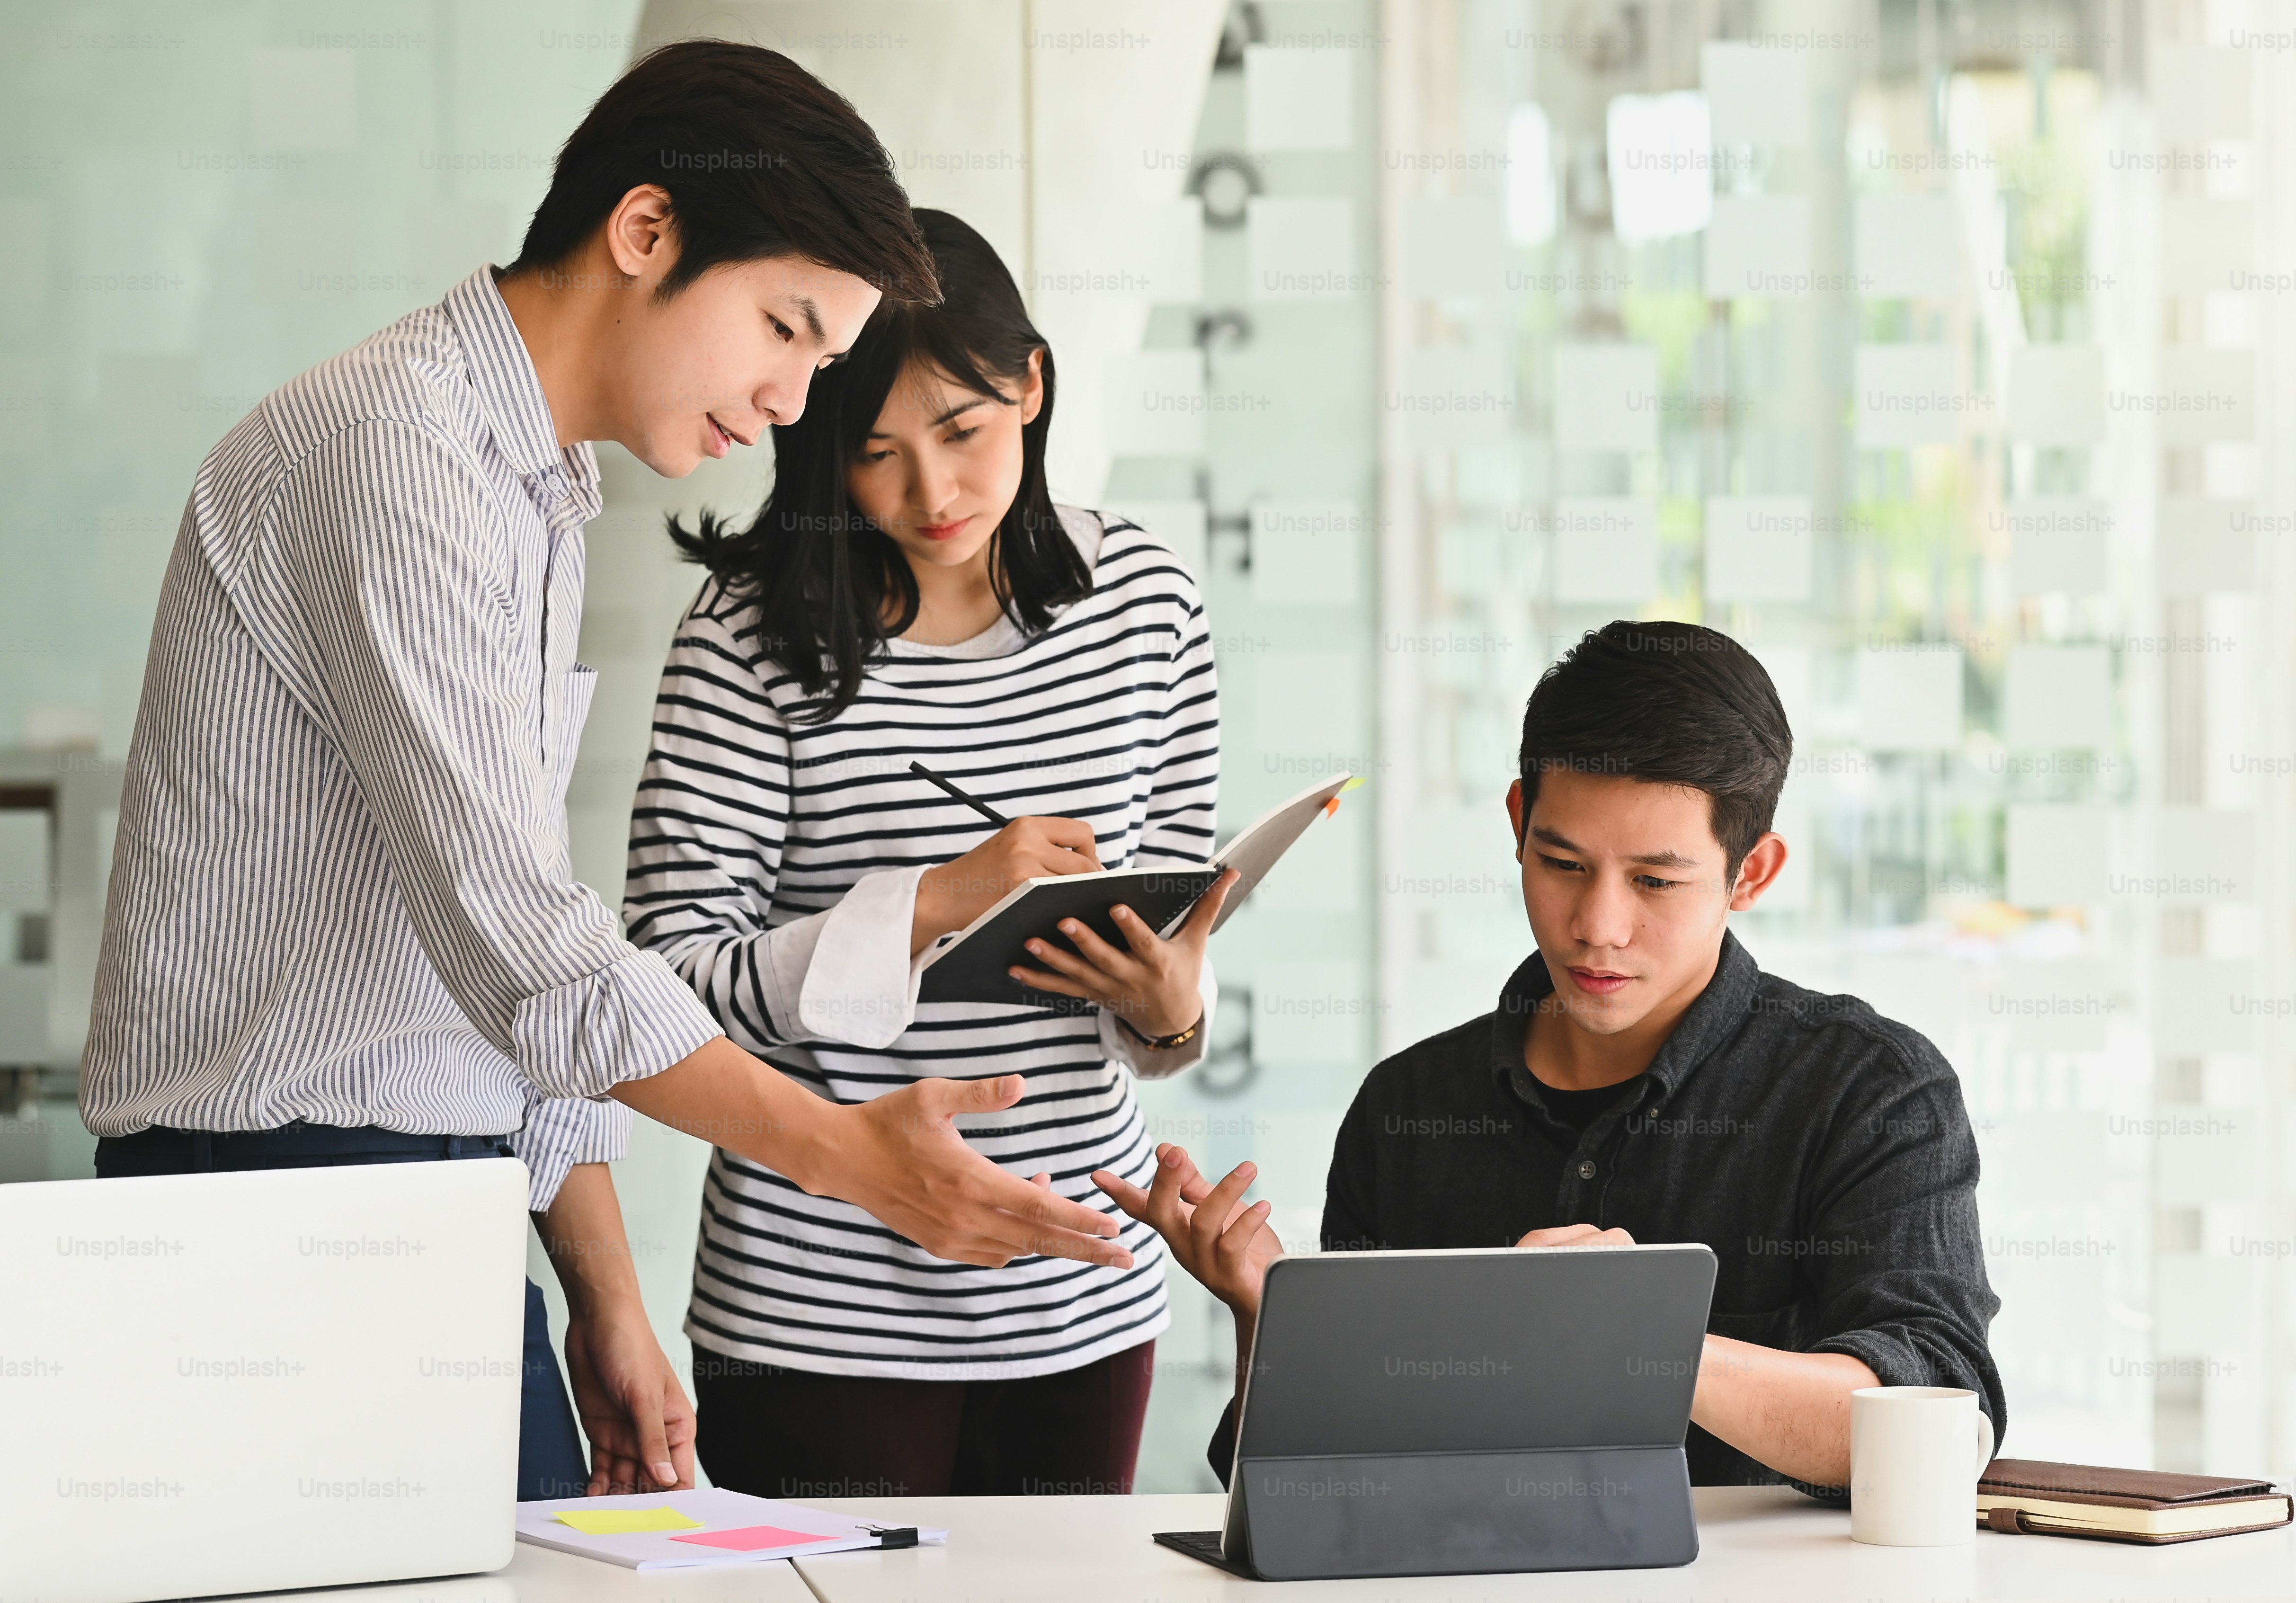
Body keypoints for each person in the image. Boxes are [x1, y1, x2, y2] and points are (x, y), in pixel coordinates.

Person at [81, 44, 1136, 1504]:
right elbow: (534, 946)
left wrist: (607, 1296)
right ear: (645, 234)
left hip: (433, 1188)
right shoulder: (396, 454)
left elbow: (517, 956)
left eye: (816, 364)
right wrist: (850, 1157)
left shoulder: (536, 486)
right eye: (784, 329)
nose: (786, 405)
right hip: (280, 1206)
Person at [1101, 620, 2004, 1491]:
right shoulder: (1407, 1108)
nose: (1597, 927)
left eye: (1655, 881)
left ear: (1752, 874)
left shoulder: (1870, 1092)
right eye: (1563, 863)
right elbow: (1328, 1494)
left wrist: (1640, 1333)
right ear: (1518, 822)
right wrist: (1279, 1325)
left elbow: (1937, 1422)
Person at [621, 207, 1221, 1500]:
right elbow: (662, 985)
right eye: (877, 456)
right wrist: (940, 899)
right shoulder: (745, 637)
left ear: (1034, 386)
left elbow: (1167, 962)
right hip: (812, 1309)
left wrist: (1170, 1016)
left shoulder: (1149, 607)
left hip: (1080, 1295)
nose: (932, 495)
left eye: (964, 433)